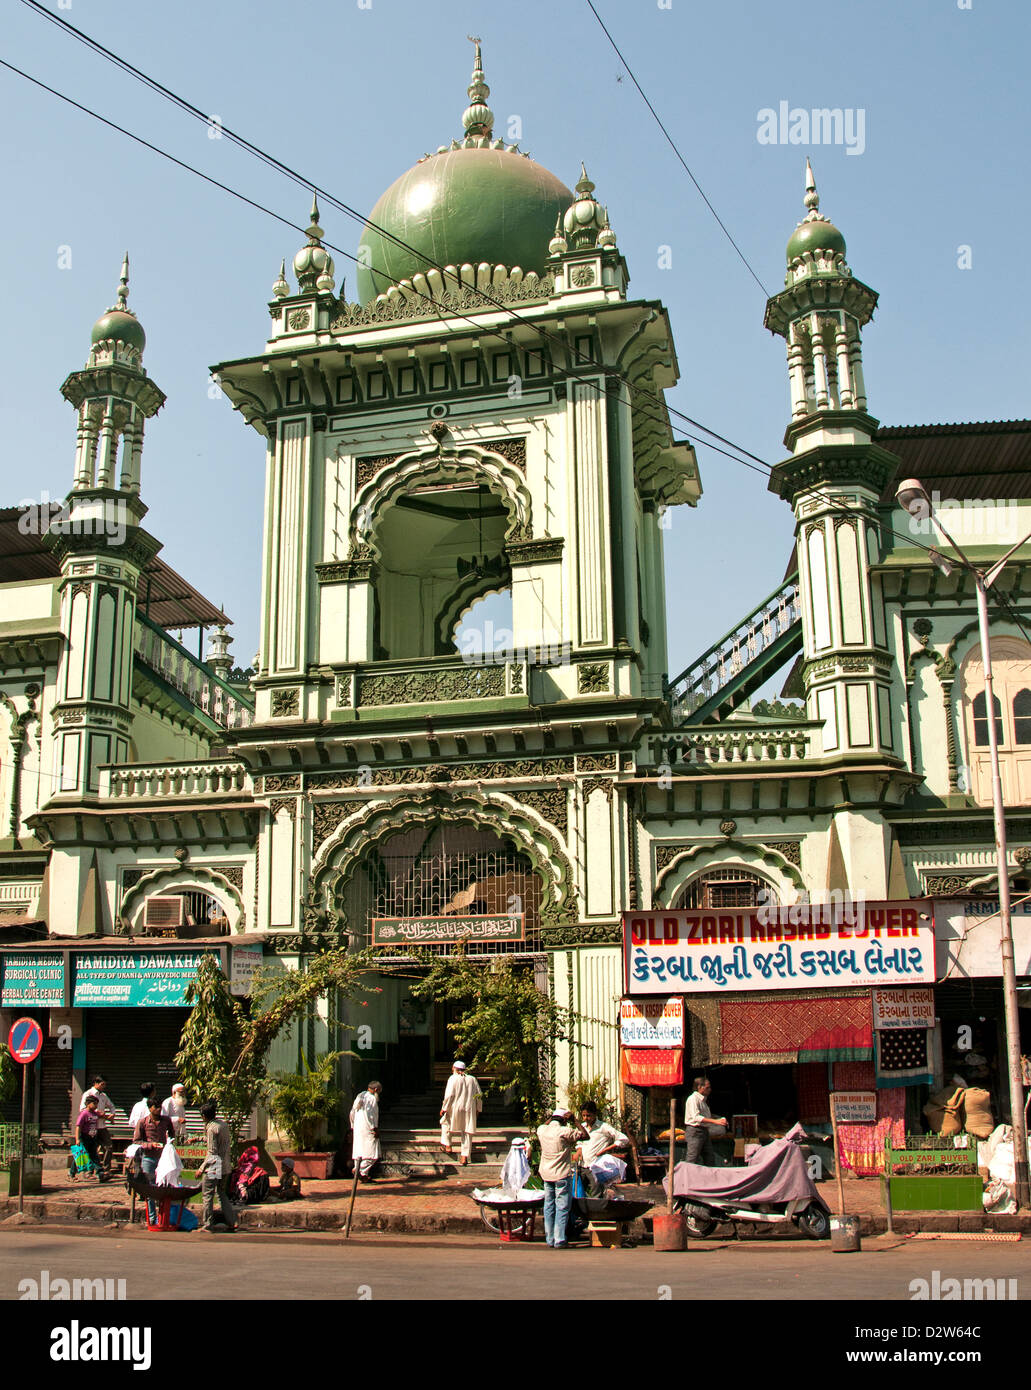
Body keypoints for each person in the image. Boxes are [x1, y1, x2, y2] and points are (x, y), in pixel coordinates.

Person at [536, 1106, 589, 1248]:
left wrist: (554, 1117)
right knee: (562, 1206)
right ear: (564, 1120)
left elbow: (546, 1123)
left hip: (546, 1174)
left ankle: (550, 1239)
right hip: (561, 1174)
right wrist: (575, 1120)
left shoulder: (542, 1130)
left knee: (548, 1206)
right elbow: (585, 1136)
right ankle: (559, 1239)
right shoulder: (564, 1131)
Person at [132, 1095, 175, 1223]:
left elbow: (172, 1134)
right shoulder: (143, 1122)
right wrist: (150, 1145)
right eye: (155, 1107)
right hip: (148, 1158)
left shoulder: (166, 1120)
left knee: (163, 1187)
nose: (158, 1110)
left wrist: (169, 1143)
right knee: (150, 1189)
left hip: (163, 1159)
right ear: (150, 1108)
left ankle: (163, 1216)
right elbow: (137, 1141)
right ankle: (152, 1218)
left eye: (159, 1107)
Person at [196, 1100, 236, 1232]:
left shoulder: (211, 1128)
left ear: (204, 1116)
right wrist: (197, 1139)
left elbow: (212, 1152)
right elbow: (217, 1141)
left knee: (207, 1195)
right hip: (225, 1165)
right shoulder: (222, 1125)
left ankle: (207, 1224)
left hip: (214, 1166)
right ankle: (231, 1221)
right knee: (222, 1194)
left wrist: (201, 1168)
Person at [577, 1102, 630, 1196]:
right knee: (579, 1194)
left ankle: (596, 1210)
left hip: (595, 1167)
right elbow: (579, 1142)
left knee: (596, 1194)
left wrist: (605, 1150)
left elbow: (623, 1139)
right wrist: (579, 1150)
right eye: (583, 1115)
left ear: (595, 1114)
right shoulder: (583, 1127)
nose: (586, 1118)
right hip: (582, 1166)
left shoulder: (603, 1127)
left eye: (588, 1115)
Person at [439, 1060, 483, 1166]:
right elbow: (479, 1094)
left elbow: (449, 1095)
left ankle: (448, 1145)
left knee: (445, 1122)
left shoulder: (452, 1078)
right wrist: (478, 1108)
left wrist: (444, 1108)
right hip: (469, 1108)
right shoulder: (472, 1079)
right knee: (467, 1131)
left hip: (454, 1107)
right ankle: (464, 1157)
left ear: (454, 1068)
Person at [683, 1076, 728, 1166]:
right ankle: (686, 1178)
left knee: (709, 1157)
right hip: (695, 1131)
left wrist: (719, 1119)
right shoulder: (693, 1099)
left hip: (704, 1131)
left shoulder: (703, 1101)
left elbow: (706, 1116)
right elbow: (696, 1117)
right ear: (700, 1087)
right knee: (692, 1158)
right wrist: (716, 1122)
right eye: (707, 1087)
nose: (709, 1090)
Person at [81, 1075, 115, 1174]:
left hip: (102, 1126)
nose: (103, 1086)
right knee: (91, 1149)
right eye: (102, 1084)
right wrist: (99, 1114)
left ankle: (105, 1169)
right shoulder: (88, 1094)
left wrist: (112, 1115)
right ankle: (89, 1170)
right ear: (96, 1083)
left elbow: (111, 1106)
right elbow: (83, 1110)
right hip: (91, 1127)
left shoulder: (104, 1096)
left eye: (104, 1084)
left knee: (108, 1146)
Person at [349, 1080, 382, 1181]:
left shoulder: (360, 1095)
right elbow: (370, 1115)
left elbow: (352, 1111)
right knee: (372, 1152)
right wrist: (374, 1128)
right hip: (367, 1128)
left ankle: (362, 1174)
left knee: (359, 1150)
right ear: (376, 1089)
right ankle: (361, 1170)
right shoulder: (371, 1098)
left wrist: (353, 1124)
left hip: (358, 1127)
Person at [74, 1095, 102, 1178]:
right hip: (85, 1137)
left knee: (94, 1156)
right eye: (95, 1104)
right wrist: (77, 1139)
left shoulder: (95, 1113)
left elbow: (101, 1115)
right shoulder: (84, 1114)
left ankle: (100, 1173)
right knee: (81, 1156)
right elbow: (78, 1126)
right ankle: (71, 1173)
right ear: (88, 1104)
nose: (96, 1106)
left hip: (93, 1138)